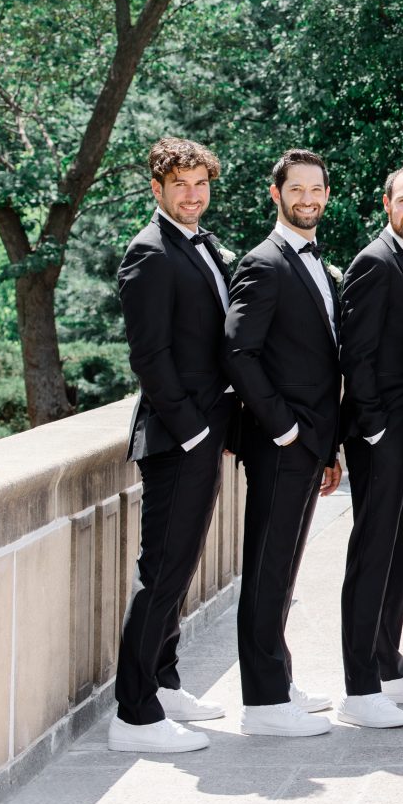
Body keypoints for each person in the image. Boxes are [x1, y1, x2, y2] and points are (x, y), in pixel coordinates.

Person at [110, 137, 239, 753]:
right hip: (175, 438)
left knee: (180, 567)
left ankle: (162, 681)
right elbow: (150, 357)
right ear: (157, 189)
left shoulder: (202, 244)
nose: (192, 196)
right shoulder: (149, 253)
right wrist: (193, 432)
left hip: (204, 432)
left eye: (200, 185)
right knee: (160, 572)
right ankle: (133, 715)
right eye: (180, 186)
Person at [224, 148, 343, 737]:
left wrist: (326, 445)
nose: (307, 199)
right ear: (276, 195)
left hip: (311, 442)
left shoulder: (317, 261)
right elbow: (239, 353)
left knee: (285, 570)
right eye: (296, 189)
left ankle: (278, 680)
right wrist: (286, 429)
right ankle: (264, 705)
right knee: (268, 570)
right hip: (280, 443)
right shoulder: (263, 263)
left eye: (316, 189)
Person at [334, 164, 403, 729]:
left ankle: (386, 659)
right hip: (383, 435)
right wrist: (374, 429)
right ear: (387, 204)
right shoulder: (374, 262)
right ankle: (359, 684)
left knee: (400, 551)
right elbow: (357, 353)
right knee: (372, 555)